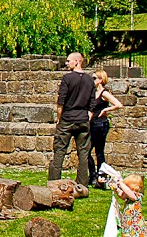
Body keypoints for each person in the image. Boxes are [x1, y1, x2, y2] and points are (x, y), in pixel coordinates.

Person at [48, 51, 95, 186]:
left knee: (59, 151)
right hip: (83, 119)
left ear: (77, 61)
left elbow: (61, 101)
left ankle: (54, 183)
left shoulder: (67, 78)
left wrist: (59, 118)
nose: (67, 63)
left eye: (69, 61)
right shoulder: (89, 80)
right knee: (83, 153)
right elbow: (92, 103)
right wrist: (88, 117)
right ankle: (82, 184)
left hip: (67, 119)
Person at [87, 69, 124, 187]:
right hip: (92, 124)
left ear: (101, 80)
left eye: (94, 78)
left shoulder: (104, 93)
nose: (92, 80)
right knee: (86, 151)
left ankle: (100, 177)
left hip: (100, 124)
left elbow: (118, 104)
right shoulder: (92, 92)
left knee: (99, 151)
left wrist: (105, 110)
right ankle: (93, 175)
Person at [111, 173, 147, 237]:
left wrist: (121, 184)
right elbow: (122, 195)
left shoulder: (137, 196)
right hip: (129, 222)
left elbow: (129, 194)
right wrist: (117, 189)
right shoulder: (128, 196)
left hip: (135, 223)